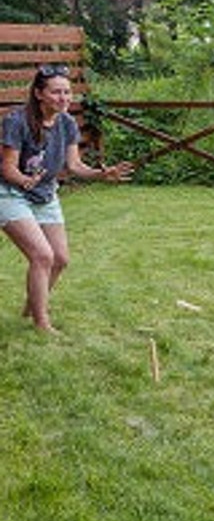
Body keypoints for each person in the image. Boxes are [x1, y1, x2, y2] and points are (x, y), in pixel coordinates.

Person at [1, 64, 133, 333]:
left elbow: (74, 166)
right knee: (42, 256)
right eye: (56, 92)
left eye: (67, 92)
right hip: (10, 193)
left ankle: (31, 307)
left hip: (45, 194)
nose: (64, 98)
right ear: (39, 93)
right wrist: (23, 180)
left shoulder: (67, 123)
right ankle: (42, 323)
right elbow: (7, 168)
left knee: (60, 258)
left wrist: (101, 174)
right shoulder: (17, 121)